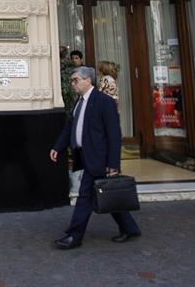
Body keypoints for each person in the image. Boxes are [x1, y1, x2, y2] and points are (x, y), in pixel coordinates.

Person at [49, 66, 141, 248]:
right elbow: (70, 127)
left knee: (85, 196)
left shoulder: (103, 101)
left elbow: (114, 134)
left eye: (75, 80)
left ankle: (75, 236)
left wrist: (113, 163)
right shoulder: (78, 102)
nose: (72, 84)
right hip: (85, 156)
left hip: (99, 158)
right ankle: (130, 228)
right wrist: (57, 147)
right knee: (105, 193)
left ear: (88, 80)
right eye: (72, 80)